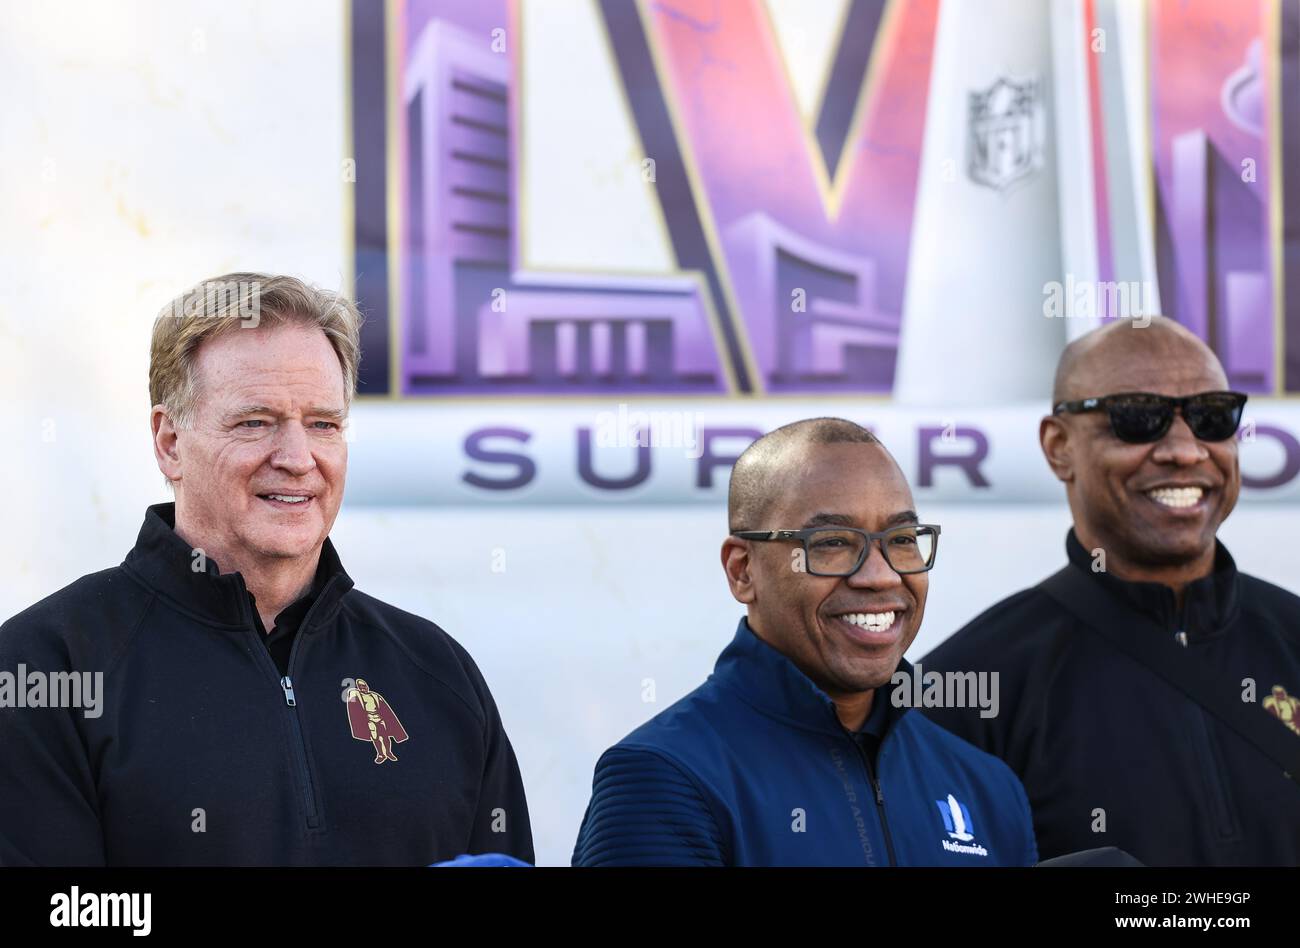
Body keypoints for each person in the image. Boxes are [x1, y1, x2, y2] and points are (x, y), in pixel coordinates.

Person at [0, 273, 532, 865]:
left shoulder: (438, 673)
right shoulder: (44, 670)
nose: (298, 459)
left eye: (323, 424)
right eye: (255, 422)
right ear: (170, 442)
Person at [572, 418, 1037, 866]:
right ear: (743, 570)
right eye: (832, 542)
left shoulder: (986, 786)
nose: (881, 575)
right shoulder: (664, 778)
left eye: (901, 538)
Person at [923, 316, 1300, 865]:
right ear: (1059, 446)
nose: (1185, 450)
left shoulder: (1292, 637)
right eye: (1137, 419)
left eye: (1212, 417)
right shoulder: (966, 689)